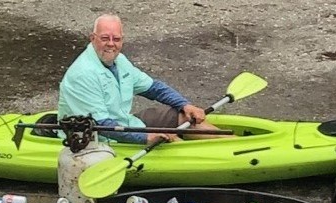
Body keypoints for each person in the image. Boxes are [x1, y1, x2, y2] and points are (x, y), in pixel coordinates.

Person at [57, 14, 218, 145]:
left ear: (122, 40)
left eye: (116, 39)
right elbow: (101, 126)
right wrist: (145, 137)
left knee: (184, 116)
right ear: (93, 38)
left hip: (127, 124)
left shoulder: (120, 61)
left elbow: (153, 88)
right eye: (105, 38)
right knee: (170, 141)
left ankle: (228, 143)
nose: (111, 44)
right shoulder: (83, 74)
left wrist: (185, 104)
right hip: (99, 139)